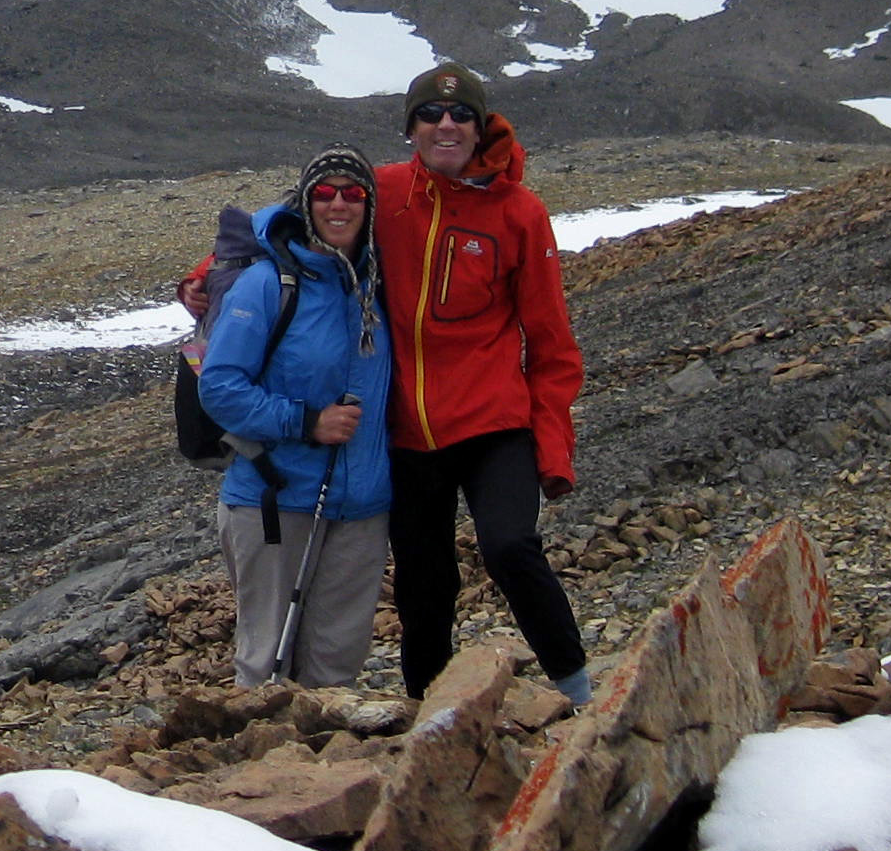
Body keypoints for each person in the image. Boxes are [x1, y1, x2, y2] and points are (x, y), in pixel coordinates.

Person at [373, 63, 595, 706]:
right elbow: (294, 222)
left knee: (509, 546)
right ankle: (431, 716)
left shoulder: (520, 213)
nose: (446, 125)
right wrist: (210, 270)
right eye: (430, 115)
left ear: (480, 127)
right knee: (423, 579)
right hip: (408, 432)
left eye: (461, 114)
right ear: (411, 128)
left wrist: (552, 448)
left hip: (494, 423)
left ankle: (579, 694)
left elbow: (552, 345)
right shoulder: (384, 192)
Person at [194, 147, 394, 689]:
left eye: (352, 192)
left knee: (335, 669)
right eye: (324, 192)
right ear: (305, 202)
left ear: (369, 204)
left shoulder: (380, 287)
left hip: (362, 508)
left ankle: (324, 770)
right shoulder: (268, 285)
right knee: (265, 668)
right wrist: (305, 423)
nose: (338, 204)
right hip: (275, 500)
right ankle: (262, 770)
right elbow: (220, 387)